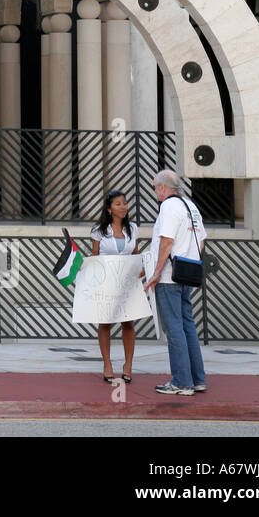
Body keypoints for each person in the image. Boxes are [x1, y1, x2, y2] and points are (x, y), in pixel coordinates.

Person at [144, 169, 208, 396]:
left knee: (174, 330)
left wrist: (156, 273)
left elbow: (166, 242)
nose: (155, 193)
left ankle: (182, 382)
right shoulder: (191, 206)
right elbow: (201, 242)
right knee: (188, 326)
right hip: (187, 274)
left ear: (162, 187)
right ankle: (197, 379)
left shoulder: (169, 207)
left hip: (169, 276)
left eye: (154, 188)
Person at [89, 189, 140, 384]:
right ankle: (107, 364)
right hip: (106, 282)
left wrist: (140, 272)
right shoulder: (99, 230)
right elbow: (95, 255)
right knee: (106, 323)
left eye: (125, 203)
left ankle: (128, 366)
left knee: (128, 323)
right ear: (109, 209)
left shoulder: (132, 228)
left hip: (127, 282)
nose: (123, 207)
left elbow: (135, 254)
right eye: (118, 204)